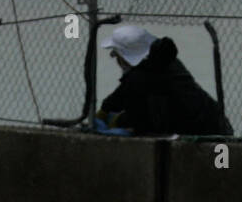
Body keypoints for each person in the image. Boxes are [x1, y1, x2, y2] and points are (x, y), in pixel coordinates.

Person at [97, 23, 232, 136]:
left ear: (125, 56)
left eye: (116, 54)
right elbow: (122, 95)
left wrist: (115, 120)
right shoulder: (166, 63)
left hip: (200, 135)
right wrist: (106, 108)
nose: (115, 58)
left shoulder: (141, 77)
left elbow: (140, 119)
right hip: (216, 124)